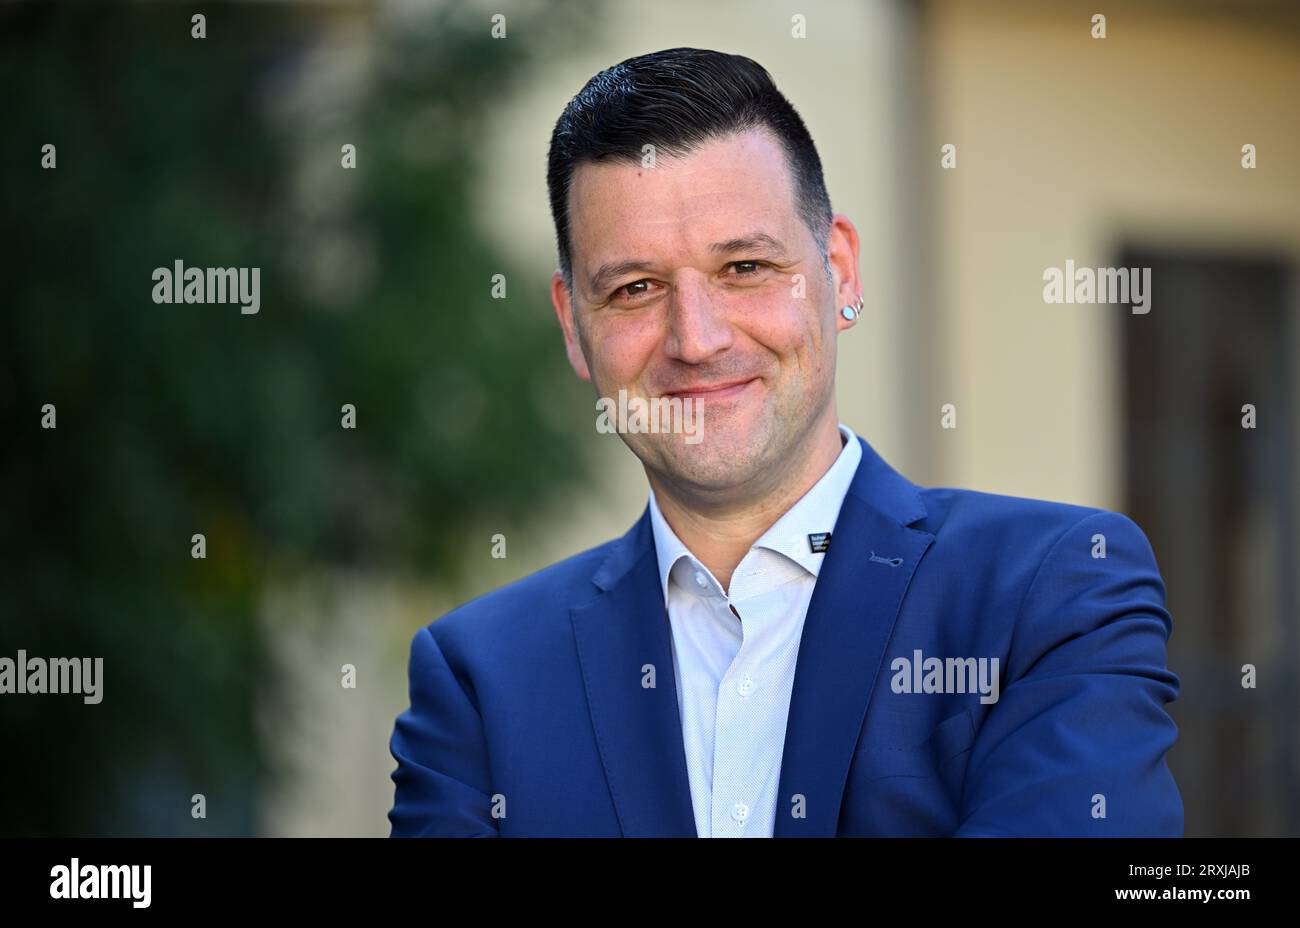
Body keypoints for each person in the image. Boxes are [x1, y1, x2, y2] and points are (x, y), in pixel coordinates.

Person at [388, 47, 1182, 837]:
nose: (695, 339)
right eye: (635, 289)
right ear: (573, 325)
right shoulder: (480, 682)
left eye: (744, 267)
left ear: (839, 269)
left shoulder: (1052, 593)